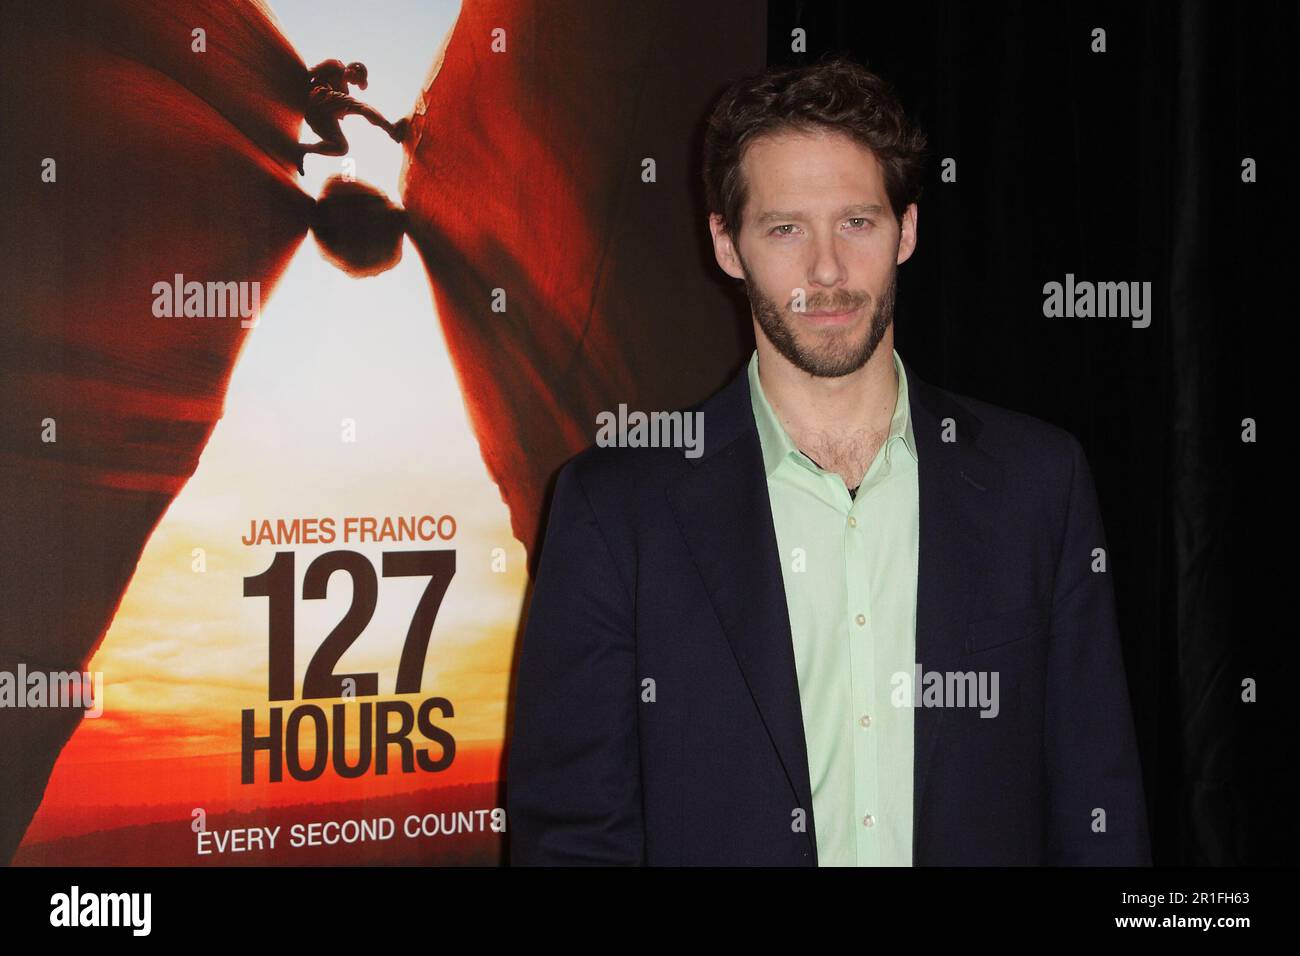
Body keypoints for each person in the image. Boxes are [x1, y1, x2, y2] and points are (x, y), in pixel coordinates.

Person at [506, 56, 1151, 866]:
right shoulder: (614, 509)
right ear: (726, 244)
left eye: (857, 222)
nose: (826, 271)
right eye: (785, 229)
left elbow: (1100, 806)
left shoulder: (1038, 481)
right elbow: (571, 836)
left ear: (906, 230)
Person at [296, 59, 409, 174]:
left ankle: (303, 149)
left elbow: (335, 111)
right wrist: (300, 98)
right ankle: (392, 129)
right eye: (358, 79)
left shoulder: (344, 91)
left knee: (341, 147)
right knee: (361, 107)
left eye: (359, 82)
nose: (356, 83)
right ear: (354, 68)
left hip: (319, 116)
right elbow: (307, 75)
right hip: (316, 98)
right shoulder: (335, 65)